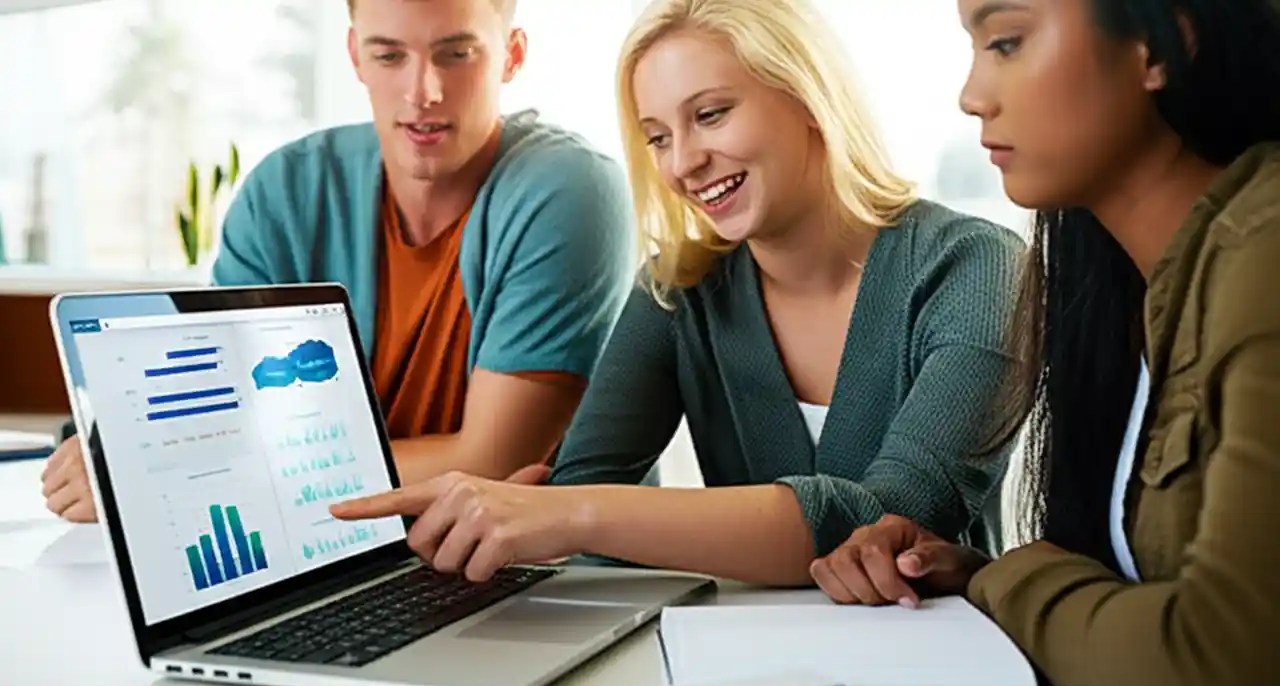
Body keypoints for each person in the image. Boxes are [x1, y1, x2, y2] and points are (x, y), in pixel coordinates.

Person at [330, 0, 1024, 588]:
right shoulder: (678, 291)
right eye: (658, 137)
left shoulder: (976, 268)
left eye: (712, 115)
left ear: (809, 97)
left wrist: (571, 516)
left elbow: (892, 518)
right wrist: (559, 510)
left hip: (940, 666)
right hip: (729, 666)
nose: (684, 163)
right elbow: (582, 483)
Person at [808, 0, 1280, 686]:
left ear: (1159, 47)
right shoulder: (1135, 290)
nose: (972, 97)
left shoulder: (1264, 256)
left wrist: (1016, 577)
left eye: (1006, 42)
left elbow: (1218, 671)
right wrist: (973, 573)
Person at [38, 0, 634, 523]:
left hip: (538, 579)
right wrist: (140, 452)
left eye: (456, 54)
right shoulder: (286, 190)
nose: (423, 91)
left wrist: (174, 476)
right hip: (330, 559)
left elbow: (491, 462)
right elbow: (218, 409)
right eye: (389, 55)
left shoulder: (570, 191)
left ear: (511, 55)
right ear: (354, 54)